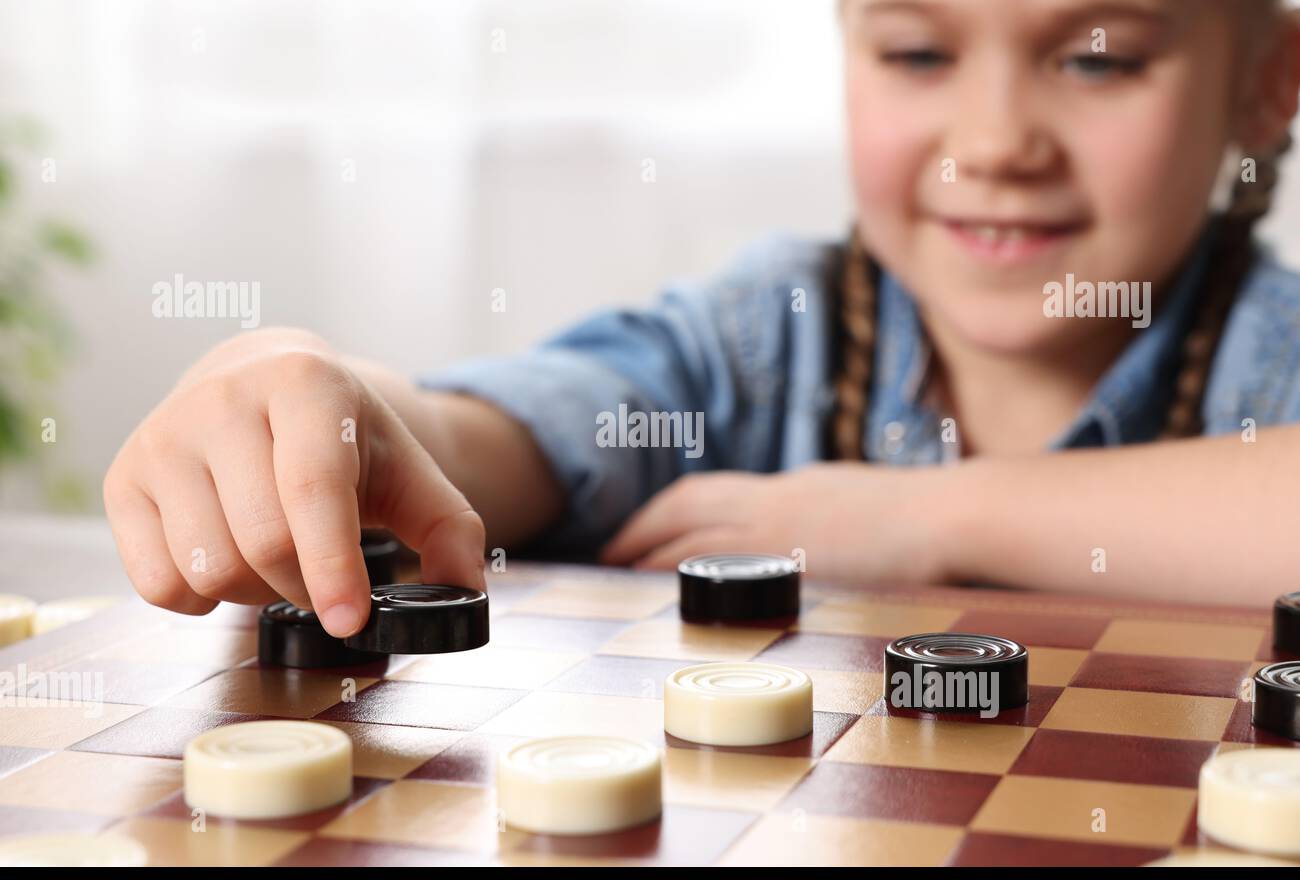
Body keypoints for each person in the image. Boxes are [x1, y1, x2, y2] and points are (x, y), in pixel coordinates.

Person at [104, 0, 1300, 636]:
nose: (992, 144)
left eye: (1096, 60)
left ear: (1266, 85)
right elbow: (492, 445)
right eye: (918, 49)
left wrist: (917, 520)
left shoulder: (1269, 349)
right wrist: (330, 405)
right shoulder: (762, 335)